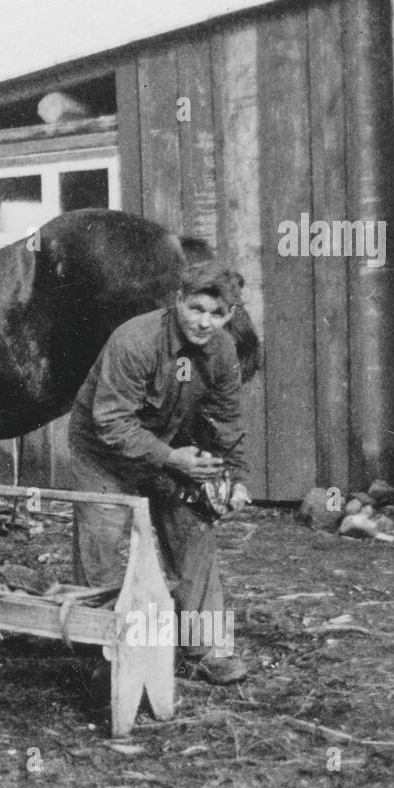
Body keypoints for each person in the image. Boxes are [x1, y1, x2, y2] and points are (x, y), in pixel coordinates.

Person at [69, 261, 252, 684]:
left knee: (193, 532)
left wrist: (237, 478)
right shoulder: (136, 340)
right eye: (196, 309)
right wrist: (172, 459)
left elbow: (226, 419)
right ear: (177, 301)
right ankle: (101, 652)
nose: (205, 322)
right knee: (100, 545)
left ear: (230, 315)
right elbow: (111, 423)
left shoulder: (222, 351)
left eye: (217, 313)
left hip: (167, 446)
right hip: (103, 450)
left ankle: (204, 648)